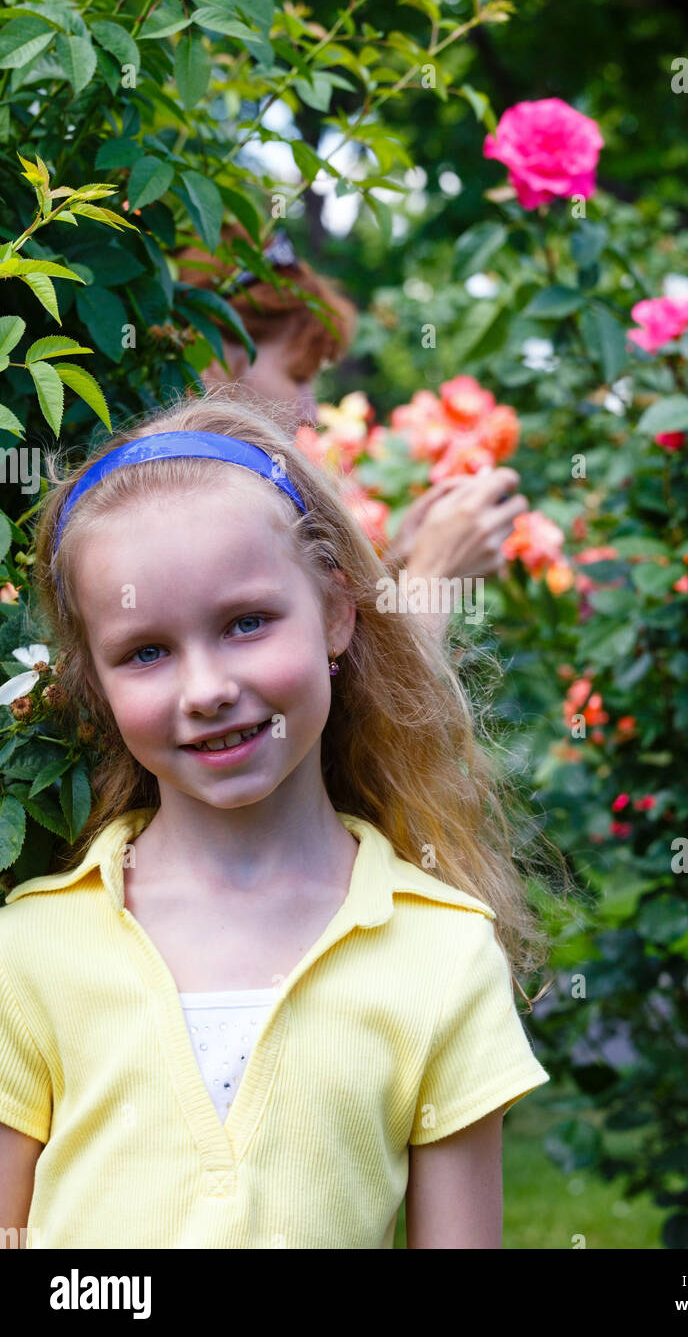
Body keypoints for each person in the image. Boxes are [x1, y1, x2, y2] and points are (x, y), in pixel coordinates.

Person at [0, 392, 551, 1249]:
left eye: (247, 622)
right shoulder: (29, 953)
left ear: (337, 609)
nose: (207, 688)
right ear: (95, 682)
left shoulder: (442, 954)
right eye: (146, 651)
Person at [177, 228, 530, 629]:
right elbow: (394, 692)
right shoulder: (183, 511)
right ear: (214, 361)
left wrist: (399, 563)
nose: (310, 413)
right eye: (300, 375)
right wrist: (436, 575)